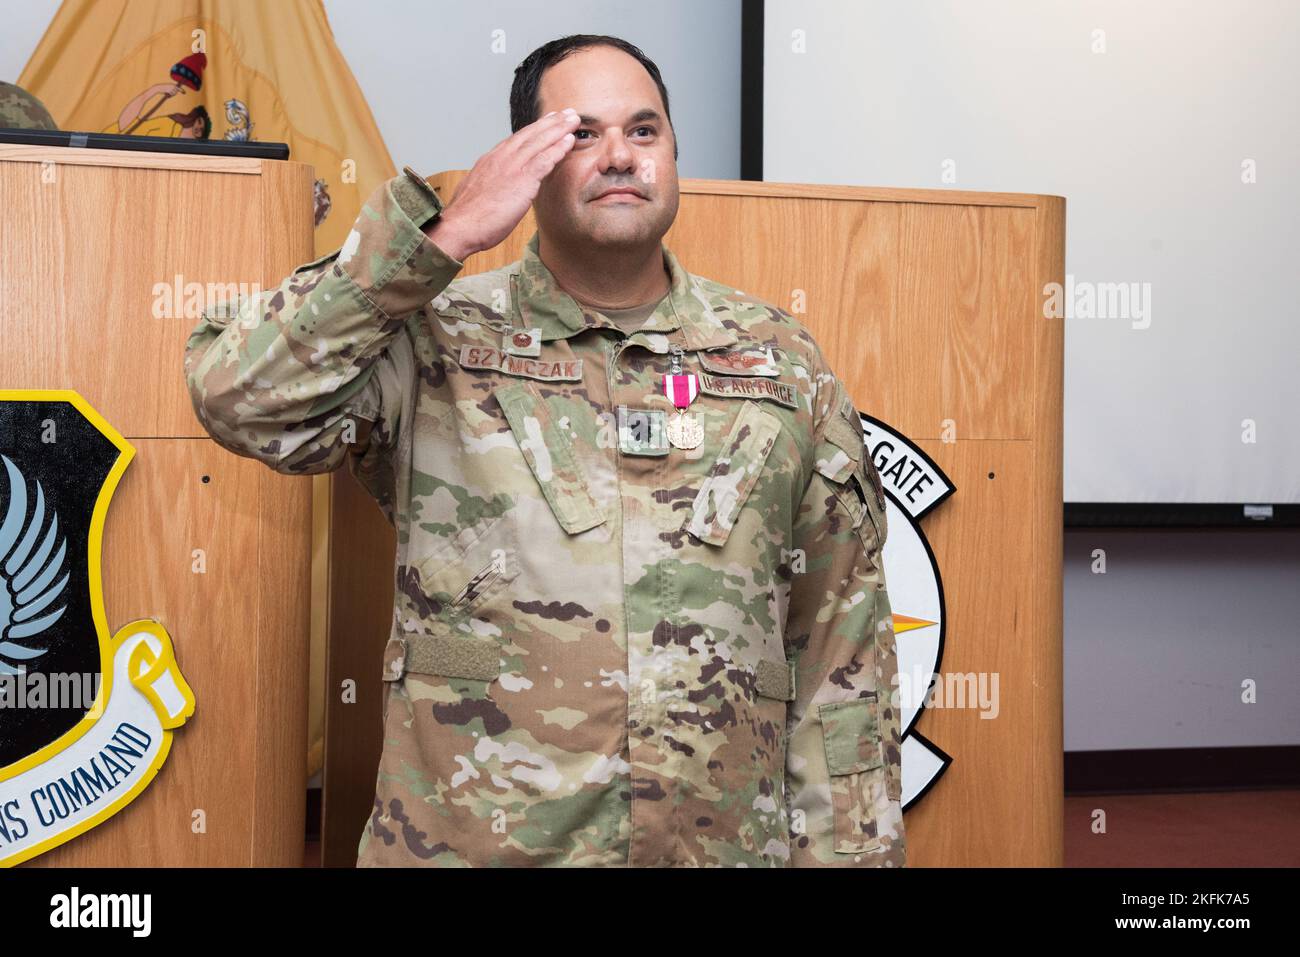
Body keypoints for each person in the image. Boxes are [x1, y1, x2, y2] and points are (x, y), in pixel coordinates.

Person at [185, 34, 904, 867]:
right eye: (581, 134)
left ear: (674, 155)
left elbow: (838, 656)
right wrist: (441, 239)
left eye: (644, 132)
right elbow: (239, 399)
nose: (619, 157)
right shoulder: (433, 337)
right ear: (525, 162)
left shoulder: (778, 361)